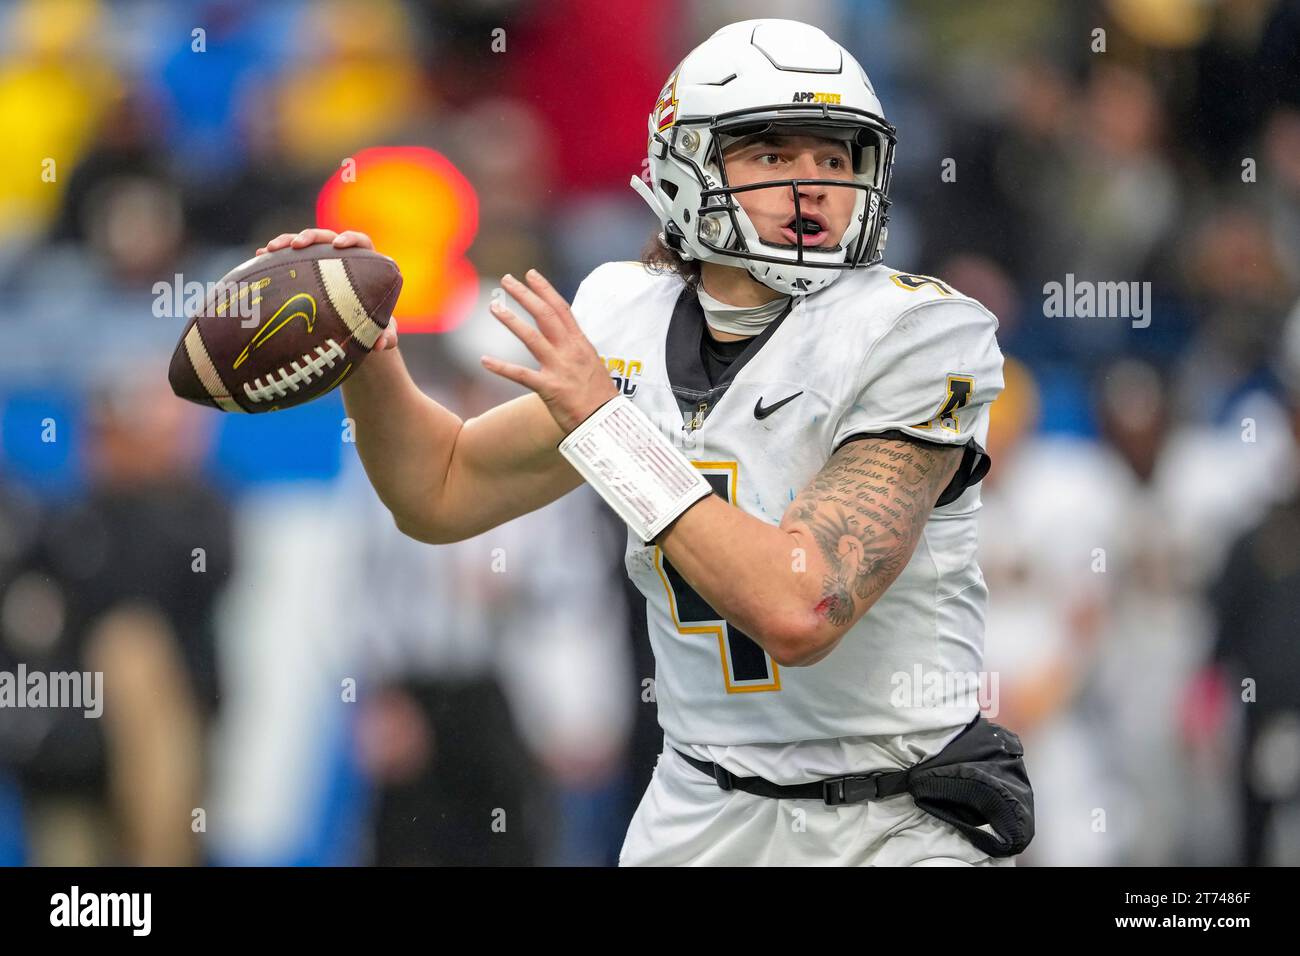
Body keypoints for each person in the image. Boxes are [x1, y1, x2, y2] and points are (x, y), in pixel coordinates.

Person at [255, 18, 1021, 866]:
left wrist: (608, 429)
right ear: (683, 166)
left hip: (890, 820)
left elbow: (804, 607)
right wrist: (370, 354)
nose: (813, 186)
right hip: (697, 809)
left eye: (836, 158)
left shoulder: (915, 332)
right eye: (772, 155)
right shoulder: (627, 314)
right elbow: (438, 491)